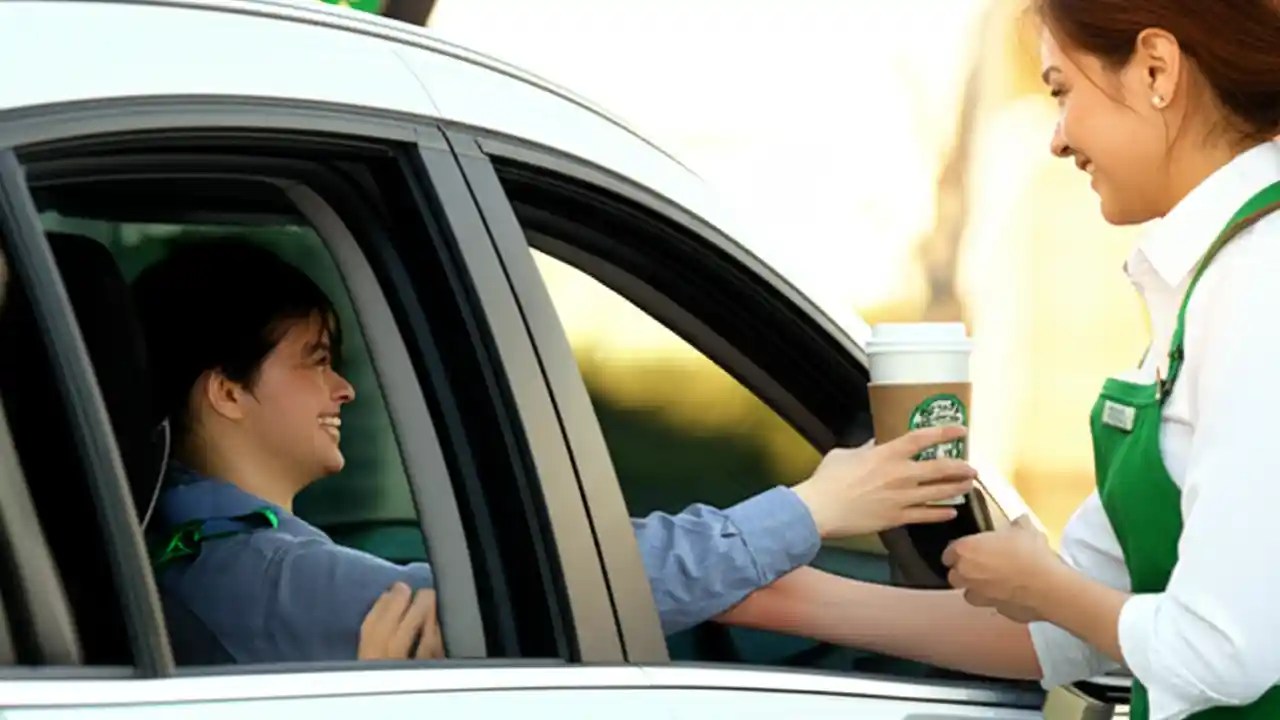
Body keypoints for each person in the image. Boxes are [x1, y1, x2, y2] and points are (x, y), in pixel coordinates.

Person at [721, 2, 1280, 719]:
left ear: (1156, 69)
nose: (1056, 137)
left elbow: (1219, 652)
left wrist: (1045, 587)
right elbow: (1070, 630)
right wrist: (733, 580)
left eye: (1061, 91)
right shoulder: (1207, 282)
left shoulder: (1261, 283)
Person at [132, 239, 977, 665]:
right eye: (316, 362)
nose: (344, 391)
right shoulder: (265, 574)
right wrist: (810, 509)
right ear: (227, 390)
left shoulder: (180, 555)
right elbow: (553, 593)